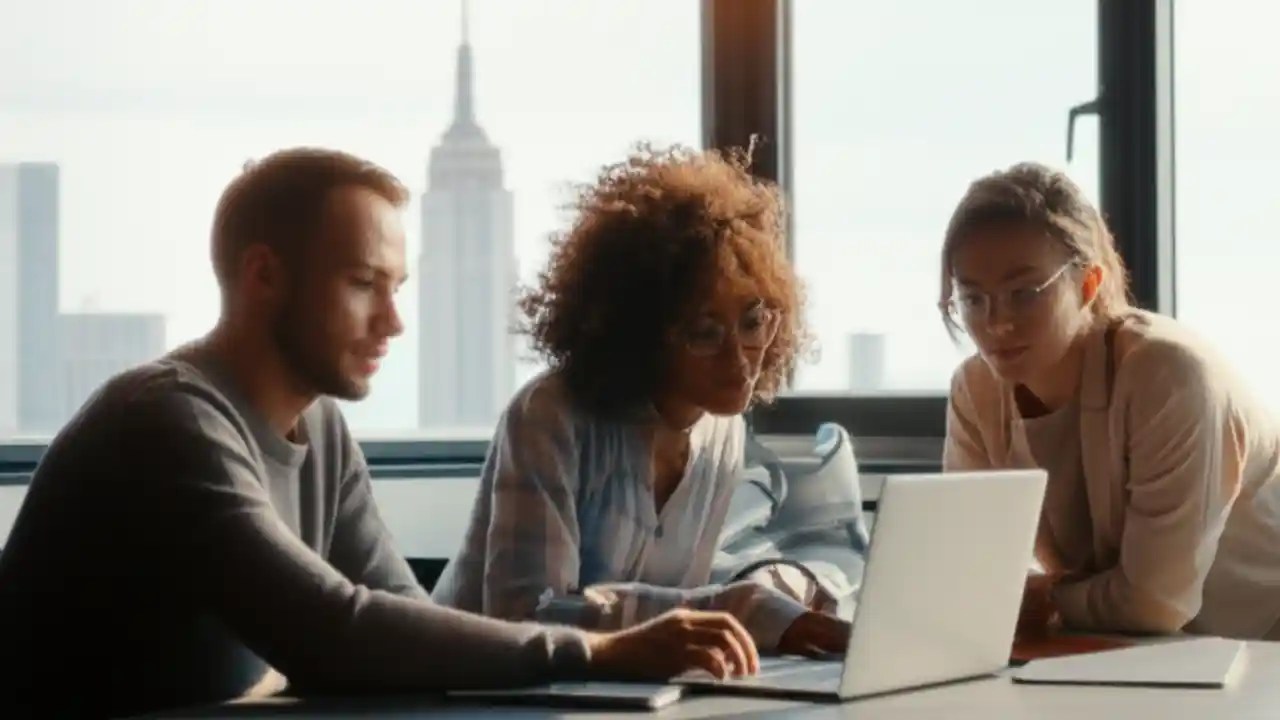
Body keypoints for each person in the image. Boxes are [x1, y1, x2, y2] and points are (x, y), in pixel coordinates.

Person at [0, 148, 761, 719]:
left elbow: (405, 615)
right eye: (364, 284)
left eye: (397, 289)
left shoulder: (319, 427)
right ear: (263, 275)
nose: (394, 322)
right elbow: (333, 630)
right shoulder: (166, 422)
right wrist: (597, 650)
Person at [433, 145, 861, 657]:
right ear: (642, 331)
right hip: (477, 695)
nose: (740, 359)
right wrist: (737, 608)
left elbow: (681, 621)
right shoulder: (548, 418)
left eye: (752, 322)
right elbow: (525, 615)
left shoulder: (721, 429)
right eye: (704, 332)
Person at [940, 161, 1280, 640]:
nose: (996, 324)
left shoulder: (1169, 375)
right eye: (973, 299)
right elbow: (970, 574)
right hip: (1144, 655)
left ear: (1088, 283)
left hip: (1261, 646)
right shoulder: (975, 392)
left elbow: (1154, 603)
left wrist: (1042, 599)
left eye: (1024, 293)